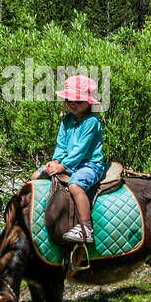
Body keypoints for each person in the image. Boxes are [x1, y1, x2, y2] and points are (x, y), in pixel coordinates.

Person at [34, 74, 105, 244]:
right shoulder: (66, 120)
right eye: (68, 99)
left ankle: (86, 228)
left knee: (75, 185)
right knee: (36, 176)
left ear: (89, 102)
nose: (73, 103)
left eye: (78, 101)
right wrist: (56, 161)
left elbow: (80, 150)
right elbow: (61, 144)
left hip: (88, 164)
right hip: (66, 163)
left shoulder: (91, 122)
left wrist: (63, 166)